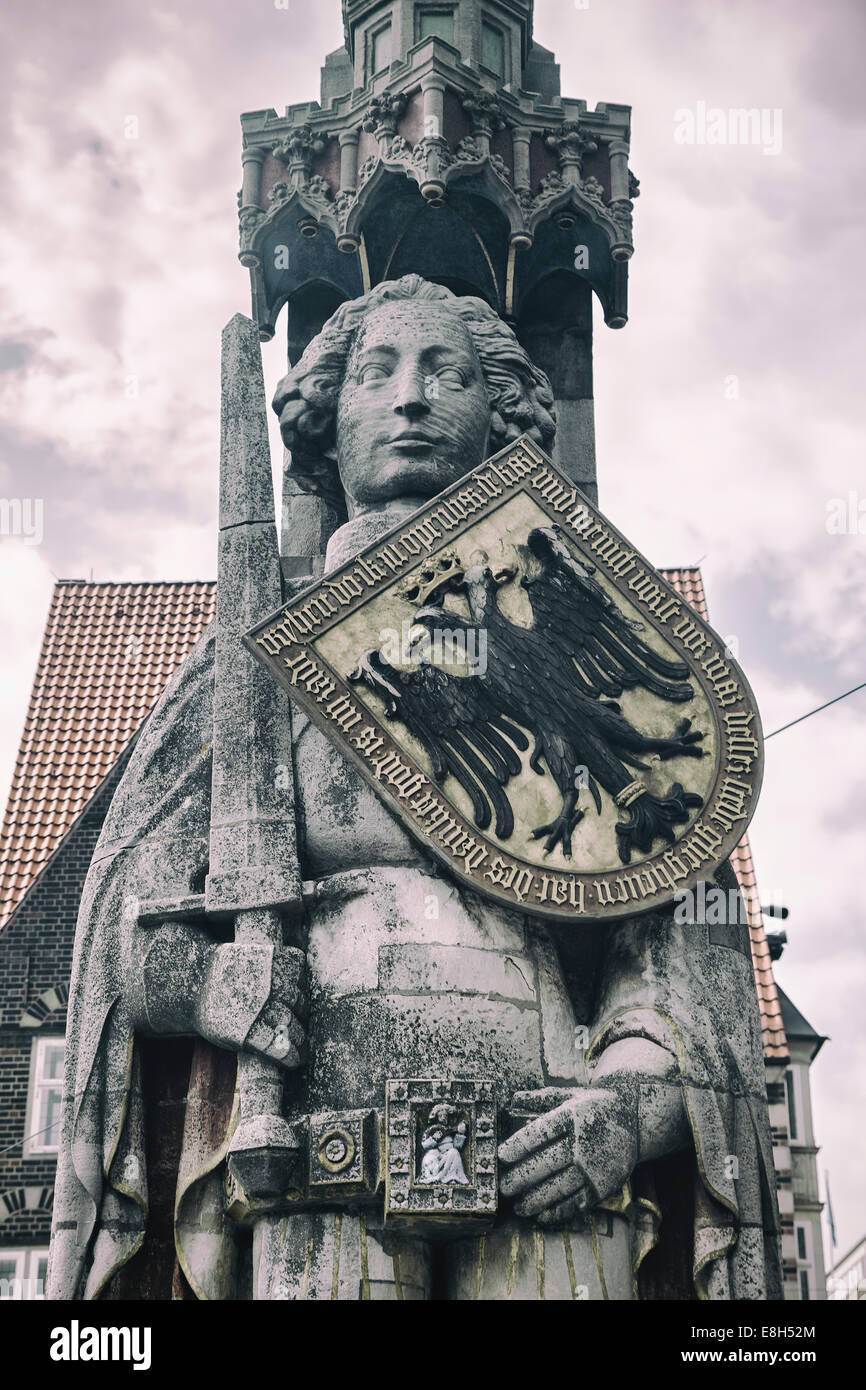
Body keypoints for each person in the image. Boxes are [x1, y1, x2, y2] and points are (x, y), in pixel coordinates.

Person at [48, 276, 780, 1301]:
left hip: (551, 1146)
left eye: (447, 371)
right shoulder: (252, 666)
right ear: (327, 416)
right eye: (376, 372)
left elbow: (665, 938)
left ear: (502, 415)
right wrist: (210, 987)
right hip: (315, 1152)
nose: (409, 398)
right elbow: (125, 927)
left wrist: (628, 1106)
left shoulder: (582, 650)